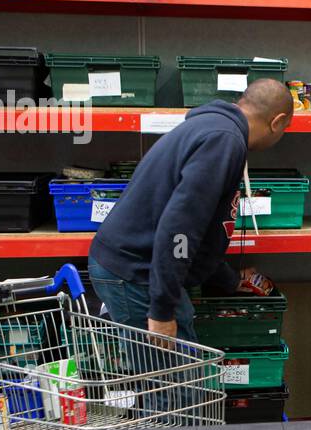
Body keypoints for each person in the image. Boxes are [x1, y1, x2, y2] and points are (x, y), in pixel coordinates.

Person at [88, 78, 293, 342]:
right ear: (277, 122)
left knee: (173, 376)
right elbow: (181, 228)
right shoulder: (224, 141)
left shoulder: (214, 129)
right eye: (285, 128)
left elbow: (199, 228)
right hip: (135, 272)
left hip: (138, 268)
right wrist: (162, 310)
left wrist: (228, 279)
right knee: (176, 380)